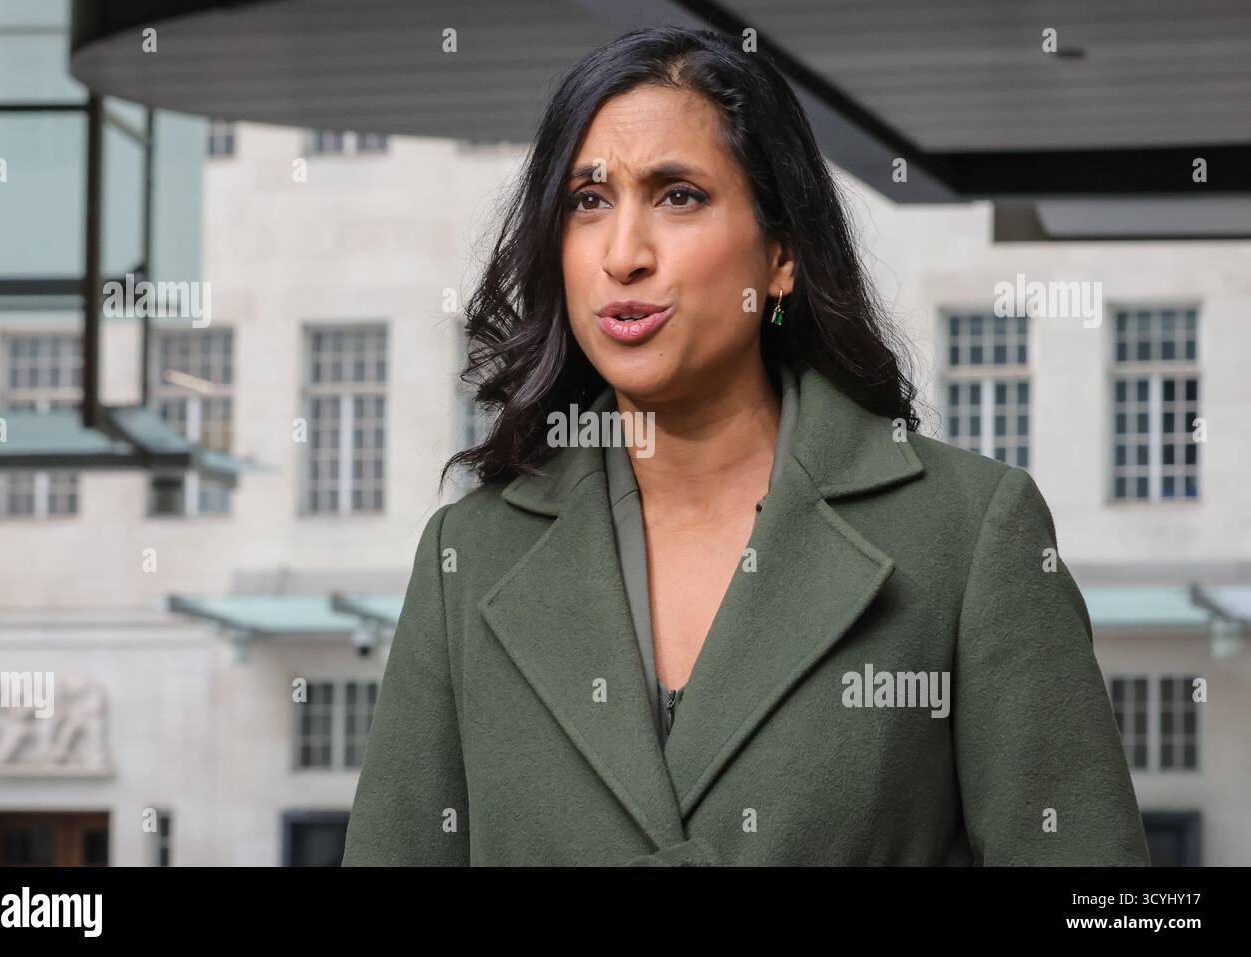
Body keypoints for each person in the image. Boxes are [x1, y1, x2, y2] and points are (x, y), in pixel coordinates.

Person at [342, 25, 1149, 866]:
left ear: (782, 253)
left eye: (678, 195)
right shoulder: (468, 554)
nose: (624, 254)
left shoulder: (967, 533)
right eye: (589, 201)